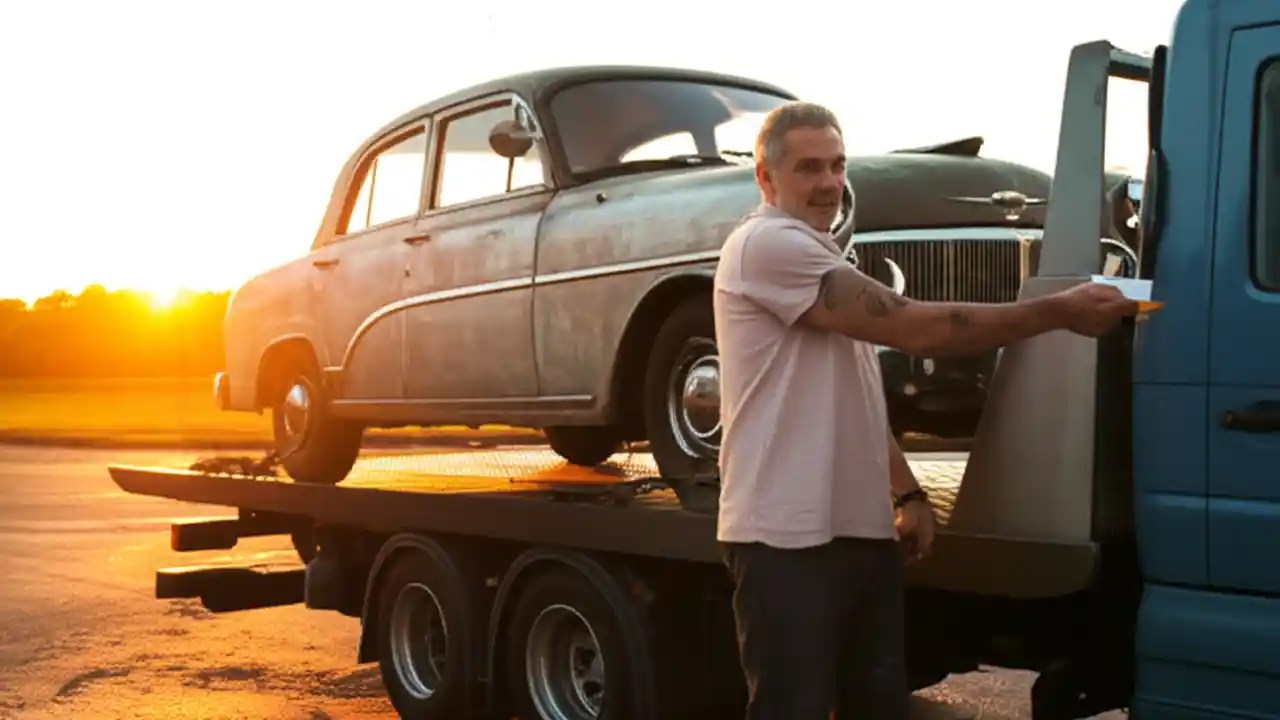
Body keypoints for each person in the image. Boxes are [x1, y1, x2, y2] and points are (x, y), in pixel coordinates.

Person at [712, 101, 1138, 720]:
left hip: (856, 532)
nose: (829, 183)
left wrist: (907, 494)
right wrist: (1058, 312)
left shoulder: (823, 255)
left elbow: (852, 390)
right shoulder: (768, 245)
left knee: (878, 706)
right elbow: (921, 329)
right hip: (784, 537)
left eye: (837, 165)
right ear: (765, 178)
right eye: (809, 168)